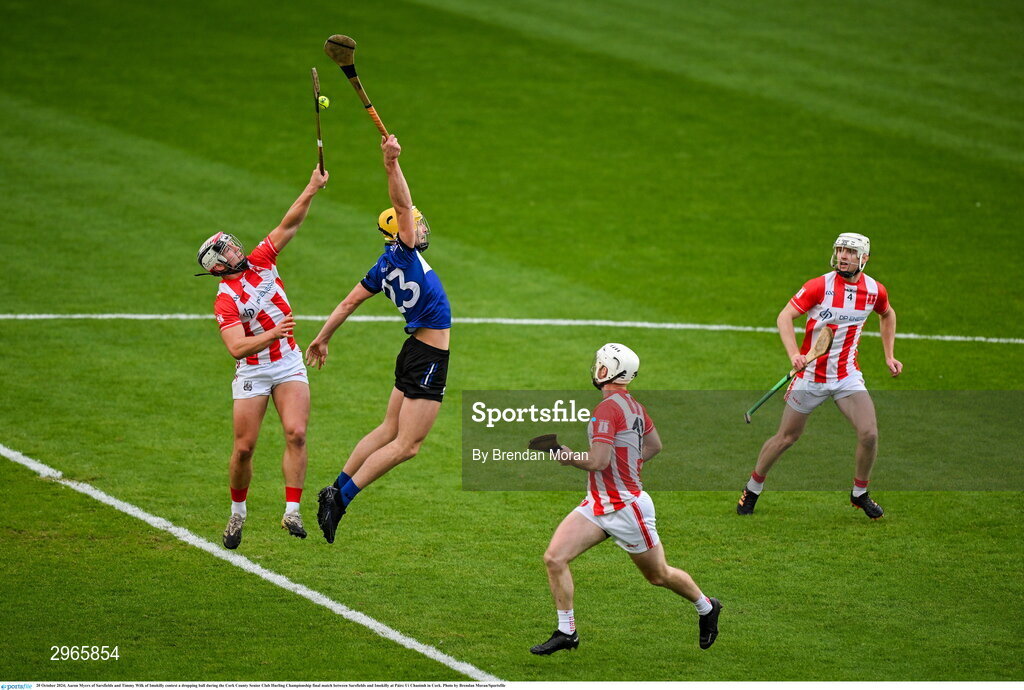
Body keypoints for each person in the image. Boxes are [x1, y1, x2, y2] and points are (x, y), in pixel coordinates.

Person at [530, 343, 722, 656]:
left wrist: (567, 456)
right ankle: (567, 632)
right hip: (598, 503)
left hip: (626, 508)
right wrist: (629, 464)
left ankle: (706, 607)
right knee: (555, 558)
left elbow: (597, 462)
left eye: (600, 364)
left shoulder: (607, 408)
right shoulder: (634, 406)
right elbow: (655, 445)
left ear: (608, 370)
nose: (596, 368)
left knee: (658, 575)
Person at [306, 134, 451, 544]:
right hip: (428, 357)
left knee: (388, 428)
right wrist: (391, 164)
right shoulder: (404, 251)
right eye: (415, 223)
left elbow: (348, 303)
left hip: (412, 351)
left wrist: (321, 338)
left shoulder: (383, 265)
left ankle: (333, 488)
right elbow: (403, 204)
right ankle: (342, 499)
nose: (419, 226)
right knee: (407, 445)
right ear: (400, 232)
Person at [196, 166, 329, 549]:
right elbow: (236, 348)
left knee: (297, 434)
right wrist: (271, 333)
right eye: (228, 249)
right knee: (244, 448)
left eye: (234, 244)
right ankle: (237, 513)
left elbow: (289, 225)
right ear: (217, 265)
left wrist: (311, 188)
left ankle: (292, 510)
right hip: (253, 370)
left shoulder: (261, 260)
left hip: (288, 363)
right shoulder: (225, 299)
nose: (237, 248)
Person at [737, 232, 902, 519]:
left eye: (850, 252)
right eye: (840, 250)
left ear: (864, 258)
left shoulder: (875, 290)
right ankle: (752, 489)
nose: (843, 256)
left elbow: (887, 314)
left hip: (846, 376)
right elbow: (784, 316)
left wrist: (889, 355)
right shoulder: (819, 286)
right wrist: (794, 356)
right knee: (787, 437)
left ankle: (859, 493)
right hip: (810, 376)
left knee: (869, 433)